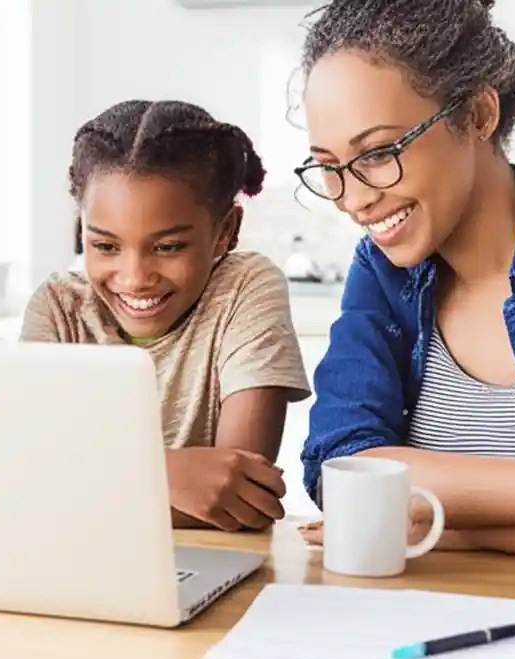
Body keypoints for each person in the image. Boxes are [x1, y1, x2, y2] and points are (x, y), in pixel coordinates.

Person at [297, 0, 515, 564]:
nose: (354, 199)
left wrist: (448, 526)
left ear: (479, 115)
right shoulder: (384, 272)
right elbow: (342, 468)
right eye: (328, 167)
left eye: (379, 153)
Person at [21, 100, 311, 531]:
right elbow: (28, 485)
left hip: (215, 563)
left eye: (169, 247)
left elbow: (242, 499)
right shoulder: (59, 308)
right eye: (104, 246)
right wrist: (168, 474)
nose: (135, 278)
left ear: (225, 232)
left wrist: (88, 484)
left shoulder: (246, 289)